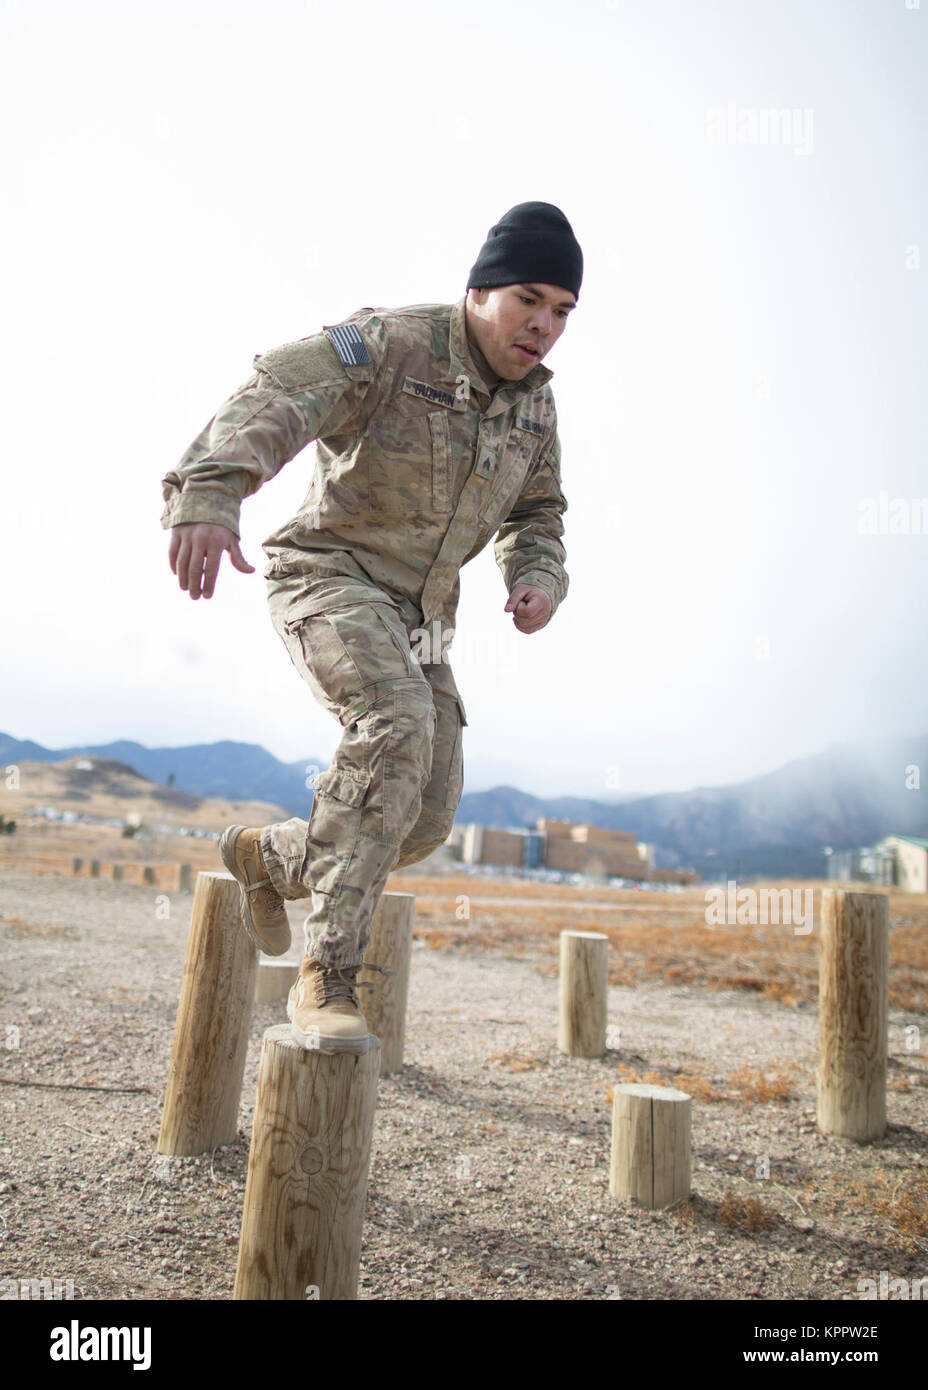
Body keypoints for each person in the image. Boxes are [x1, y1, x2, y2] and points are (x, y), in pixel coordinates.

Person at [161, 201, 582, 1053]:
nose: (543, 326)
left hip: (423, 618)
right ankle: (328, 977)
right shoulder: (391, 343)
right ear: (479, 291)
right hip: (327, 577)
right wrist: (210, 494)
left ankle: (265, 858)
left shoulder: (534, 410)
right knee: (395, 727)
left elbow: (538, 512)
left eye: (562, 312)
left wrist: (537, 576)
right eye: (528, 300)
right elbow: (280, 391)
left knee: (422, 816)